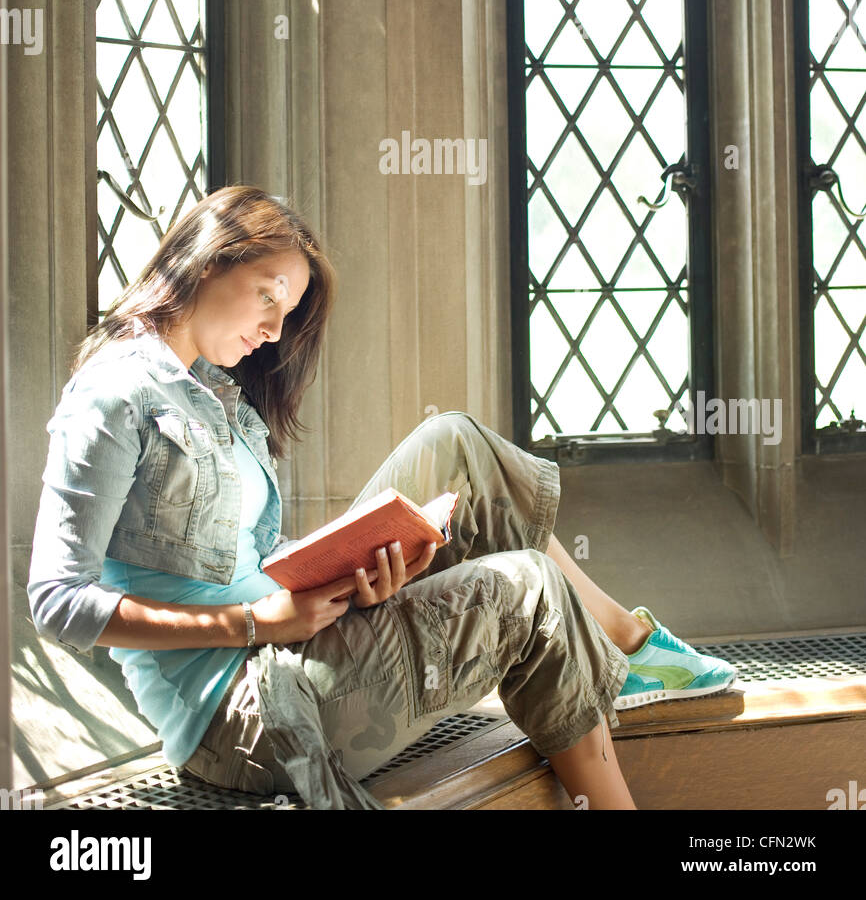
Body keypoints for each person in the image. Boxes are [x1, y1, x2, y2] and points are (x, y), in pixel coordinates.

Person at [27, 185, 736, 811]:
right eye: (269, 295)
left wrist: (344, 576)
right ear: (209, 259)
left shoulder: (215, 394)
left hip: (284, 637)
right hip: (243, 715)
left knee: (458, 445)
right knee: (529, 588)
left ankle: (629, 649)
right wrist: (256, 623)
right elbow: (56, 601)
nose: (275, 329)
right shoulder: (115, 393)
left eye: (288, 309)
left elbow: (237, 559)